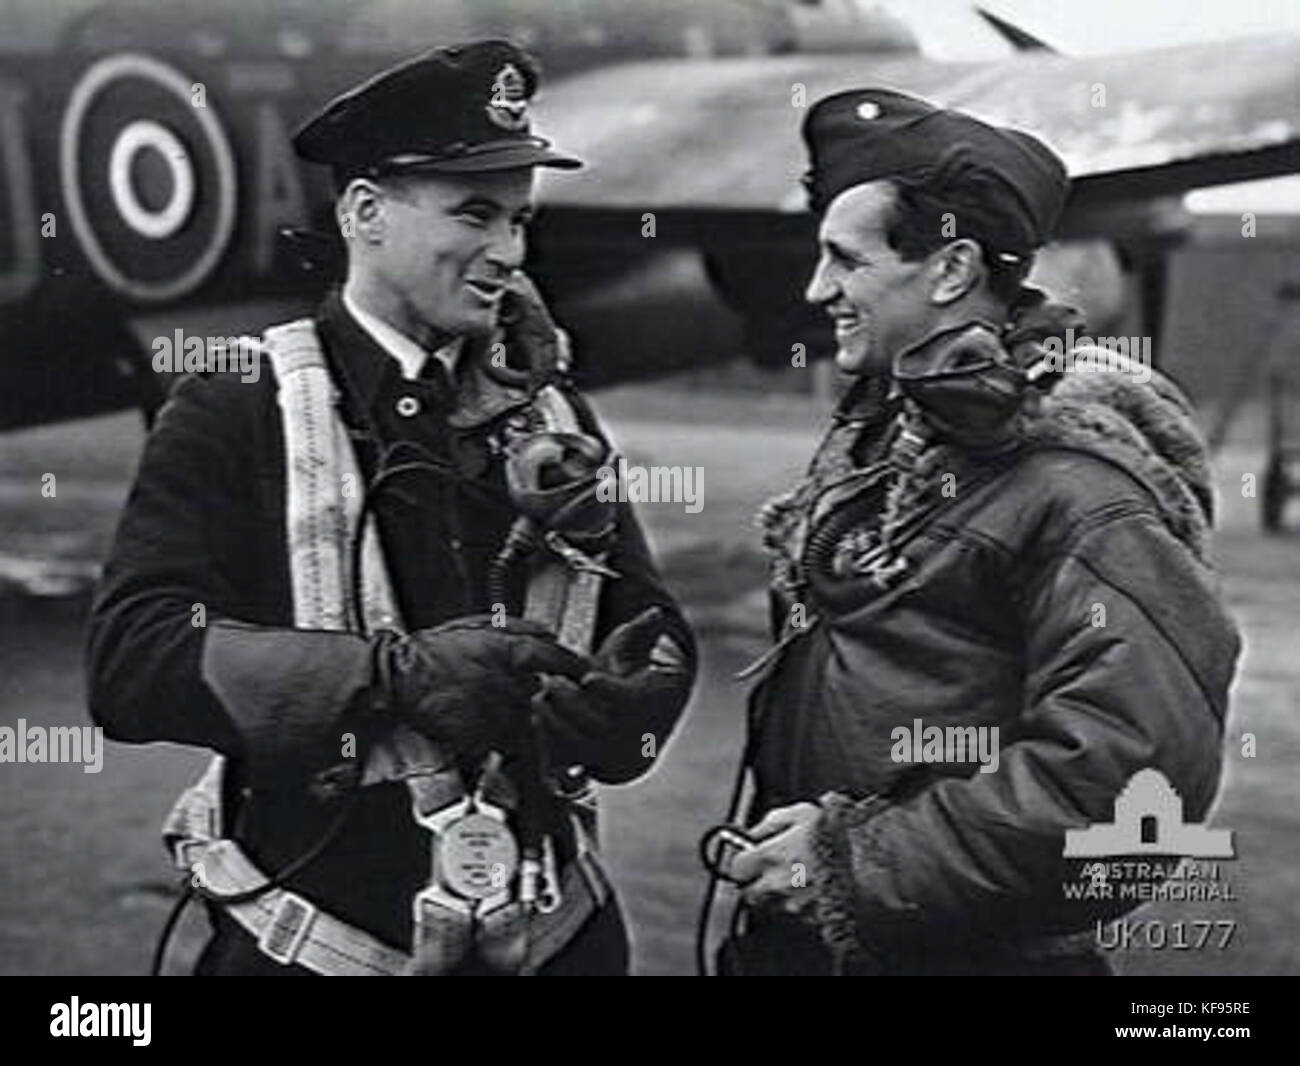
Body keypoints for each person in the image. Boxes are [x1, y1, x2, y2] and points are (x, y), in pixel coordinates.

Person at [86, 39, 695, 976]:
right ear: (366, 213)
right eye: (476, 215)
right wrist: (388, 678)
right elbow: (132, 663)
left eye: (521, 222)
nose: (509, 254)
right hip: (312, 947)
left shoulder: (555, 411)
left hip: (553, 936)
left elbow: (647, 628)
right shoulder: (237, 404)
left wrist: (630, 705)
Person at [723, 89, 1240, 975]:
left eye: (845, 260)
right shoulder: (899, 430)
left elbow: (1126, 780)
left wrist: (855, 864)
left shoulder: (1078, 486)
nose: (817, 291)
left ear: (953, 270)